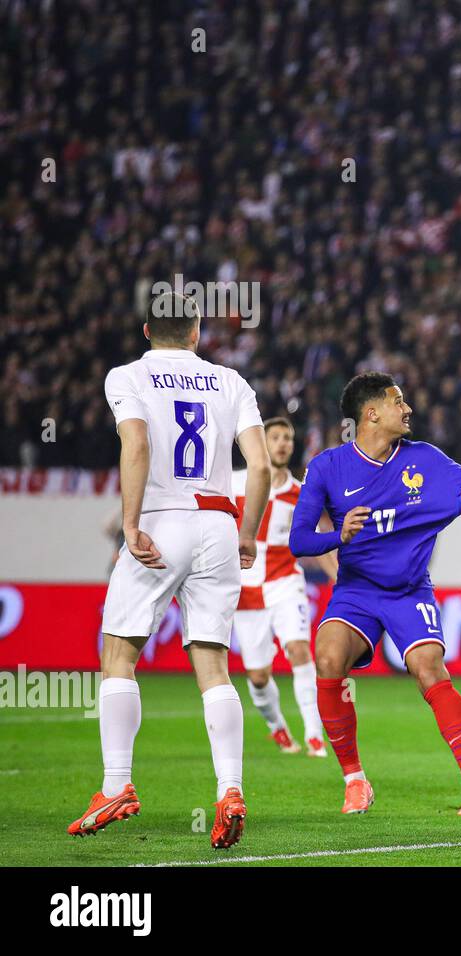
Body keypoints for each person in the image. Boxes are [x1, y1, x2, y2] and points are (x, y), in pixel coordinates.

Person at [289, 372, 461, 817]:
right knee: (328, 659)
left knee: (429, 669)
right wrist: (339, 537)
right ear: (371, 414)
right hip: (356, 592)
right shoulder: (327, 467)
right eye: (398, 401)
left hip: (409, 591)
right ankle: (354, 780)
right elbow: (298, 541)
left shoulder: (425, 460)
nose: (407, 409)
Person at [69, 293, 270, 850]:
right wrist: (248, 531)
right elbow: (258, 465)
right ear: (197, 332)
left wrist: (130, 526)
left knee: (119, 655)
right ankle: (230, 791)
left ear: (145, 330)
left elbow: (135, 442)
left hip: (161, 520)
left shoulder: (127, 376)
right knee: (212, 664)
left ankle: (116, 786)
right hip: (218, 524)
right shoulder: (231, 381)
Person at [232, 416, 336, 758]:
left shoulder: (300, 494)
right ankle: (277, 727)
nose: (282, 443)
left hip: (284, 582)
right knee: (259, 676)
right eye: (275, 437)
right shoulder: (234, 484)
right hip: (245, 590)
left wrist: (338, 576)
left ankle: (314, 734)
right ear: (262, 443)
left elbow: (316, 540)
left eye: (287, 438)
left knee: (299, 650)